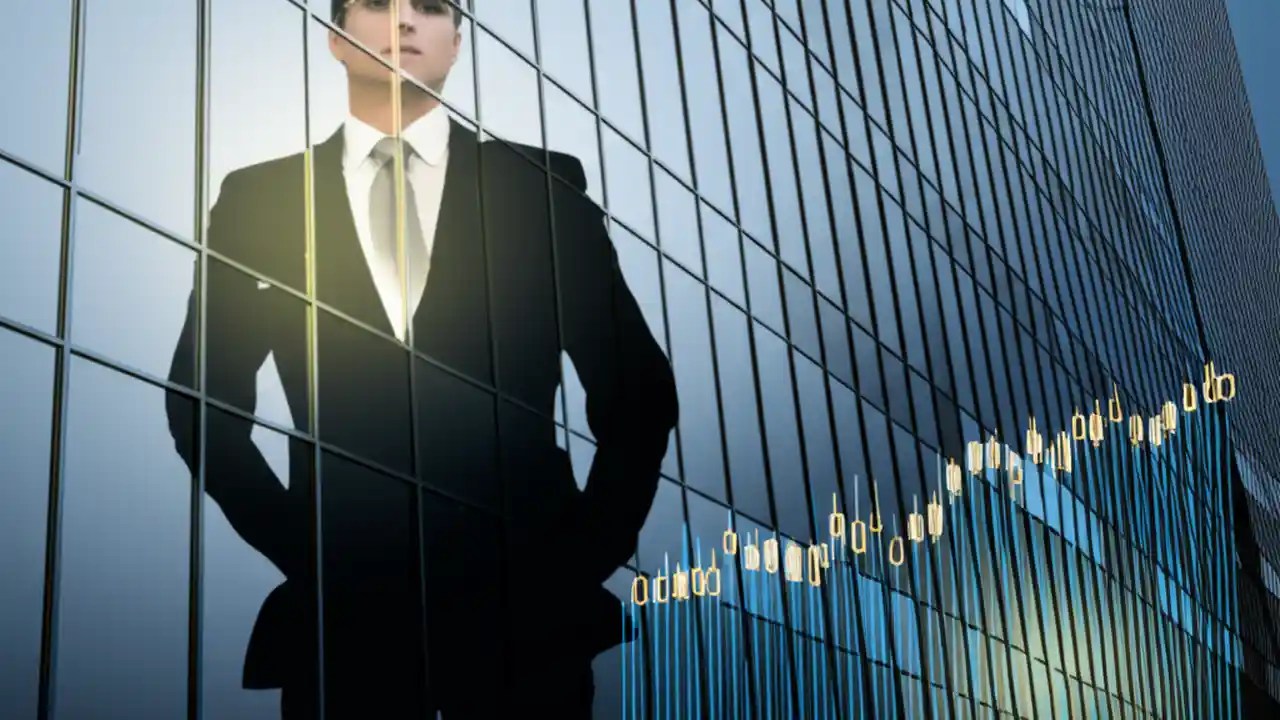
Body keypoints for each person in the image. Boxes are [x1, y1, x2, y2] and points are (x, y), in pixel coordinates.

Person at [166, 0, 678, 717]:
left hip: (524, 622)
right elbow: (202, 404)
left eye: (431, 7)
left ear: (457, 42)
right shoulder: (260, 200)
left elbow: (638, 395)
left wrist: (578, 556)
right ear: (337, 42)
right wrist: (302, 548)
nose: (403, 22)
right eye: (375, 4)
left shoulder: (541, 190)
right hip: (344, 619)